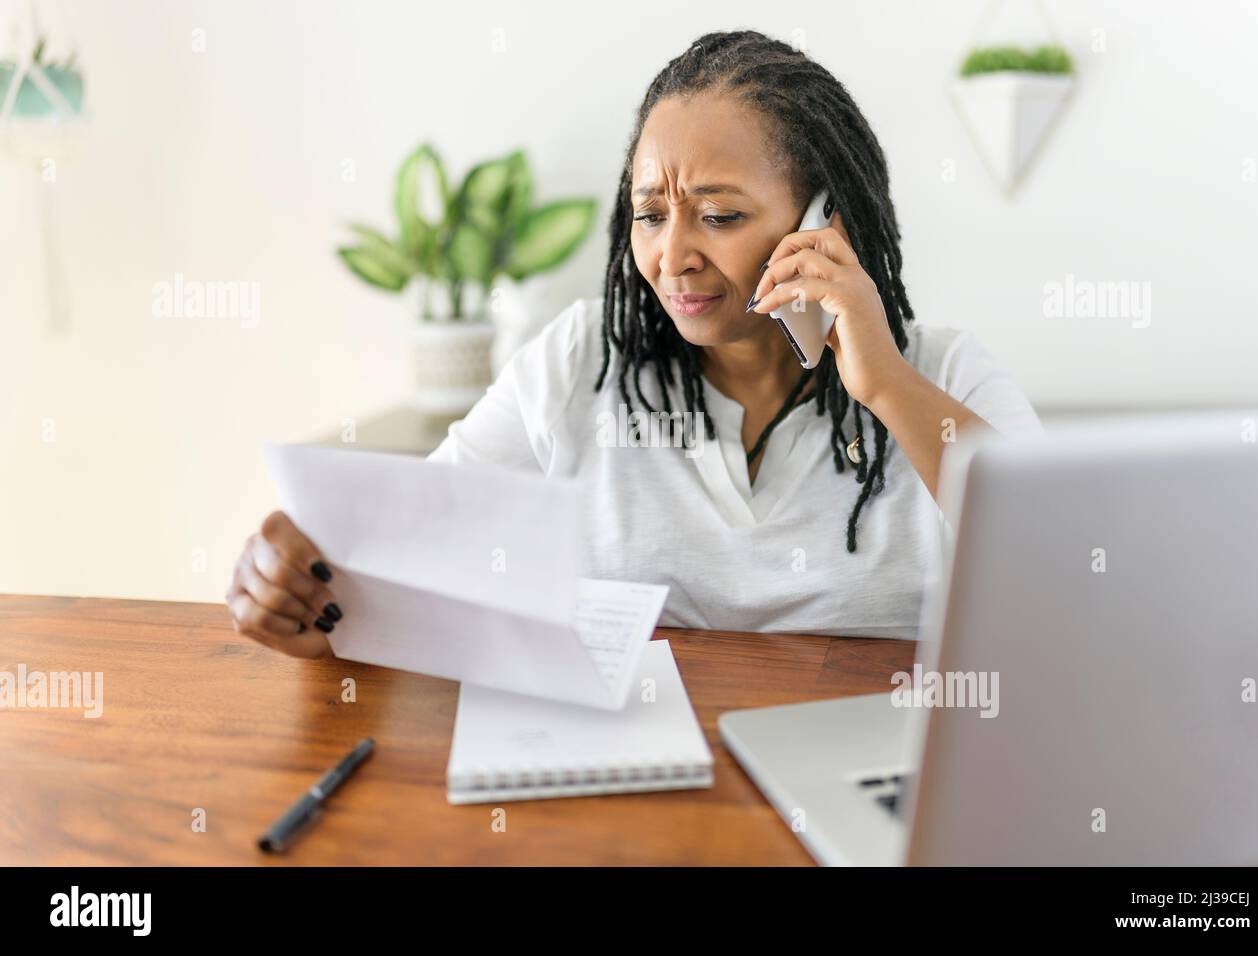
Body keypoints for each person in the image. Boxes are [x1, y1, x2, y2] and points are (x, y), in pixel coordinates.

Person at [227, 30, 1041, 657]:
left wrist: (888, 385)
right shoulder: (581, 361)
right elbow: (410, 558)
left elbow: (1063, 579)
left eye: (720, 215)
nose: (672, 255)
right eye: (651, 214)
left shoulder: (944, 374)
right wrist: (303, 599)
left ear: (825, 220)